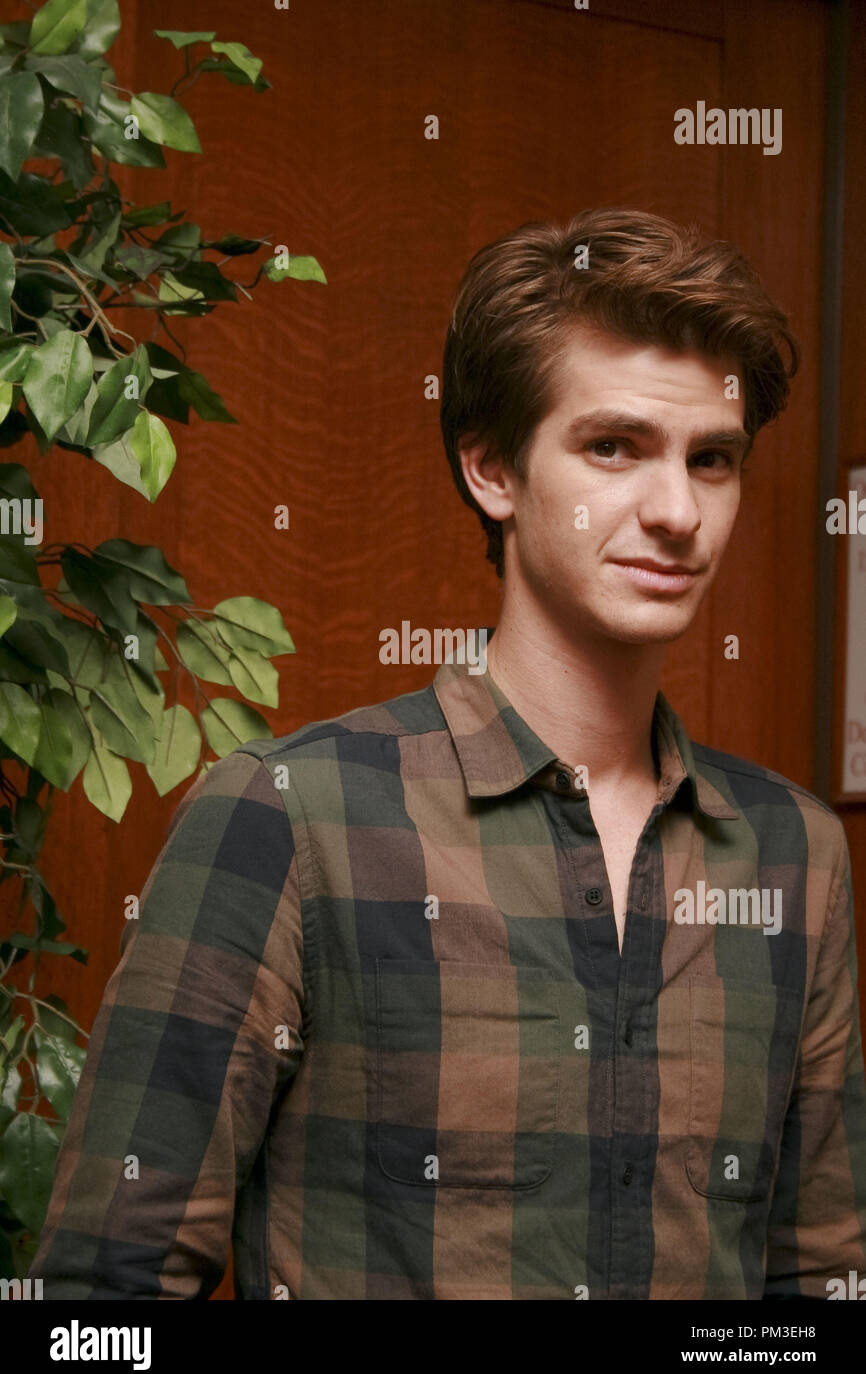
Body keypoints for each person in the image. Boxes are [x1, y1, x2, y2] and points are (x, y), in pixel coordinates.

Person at [31, 208, 866, 1299]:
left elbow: (820, 1282)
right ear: (490, 470)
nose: (675, 511)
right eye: (611, 446)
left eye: (711, 460)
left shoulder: (791, 854)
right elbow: (101, 1299)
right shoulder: (288, 814)